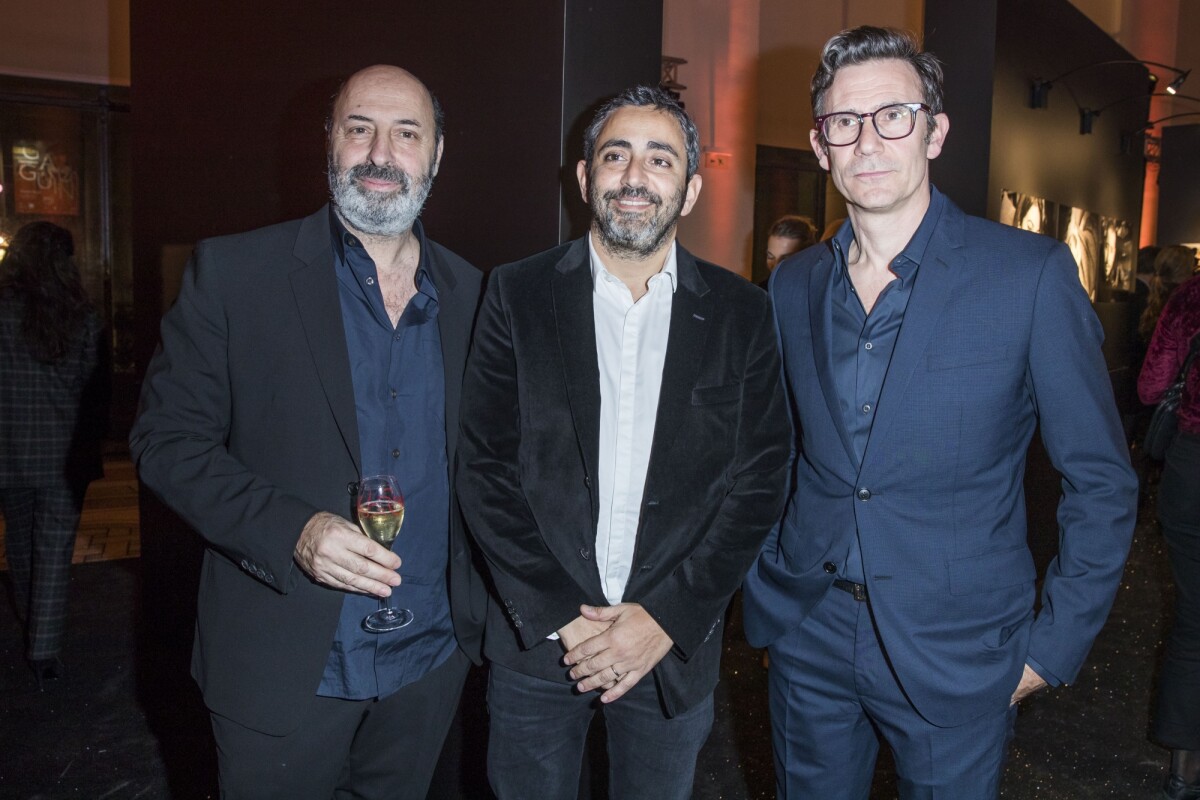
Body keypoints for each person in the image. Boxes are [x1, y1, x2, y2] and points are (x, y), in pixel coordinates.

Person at [741, 26, 1138, 798]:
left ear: (936, 132)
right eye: (844, 122)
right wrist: (770, 586)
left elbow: (1101, 480)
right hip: (808, 635)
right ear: (820, 146)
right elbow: (779, 452)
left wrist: (1049, 649)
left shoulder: (1026, 276)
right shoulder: (793, 286)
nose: (868, 141)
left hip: (962, 649)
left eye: (894, 115)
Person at [129, 65, 485, 799]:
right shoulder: (235, 273)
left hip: (429, 662)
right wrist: (293, 530)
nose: (380, 153)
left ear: (437, 153)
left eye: (406, 133)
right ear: (329, 141)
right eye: (360, 128)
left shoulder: (477, 295)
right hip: (284, 663)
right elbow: (167, 443)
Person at [456, 85, 791, 799]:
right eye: (616, 156)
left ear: (690, 190)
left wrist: (667, 617)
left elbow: (762, 478)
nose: (635, 176)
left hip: (668, 649)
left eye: (660, 159)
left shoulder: (743, 313)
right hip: (539, 643)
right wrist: (560, 617)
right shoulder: (515, 293)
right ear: (585, 178)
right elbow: (484, 468)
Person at [0, 221, 106, 689]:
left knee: (20, 543)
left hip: (8, 450)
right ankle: (43, 650)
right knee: (54, 549)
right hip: (64, 455)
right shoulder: (82, 317)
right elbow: (93, 391)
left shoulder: (2, 311)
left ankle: (33, 623)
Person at [1138, 248, 1200, 800]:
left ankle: (1183, 774)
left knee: (1194, 620)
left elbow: (1151, 388)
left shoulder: (1191, 297)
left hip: (1192, 471)